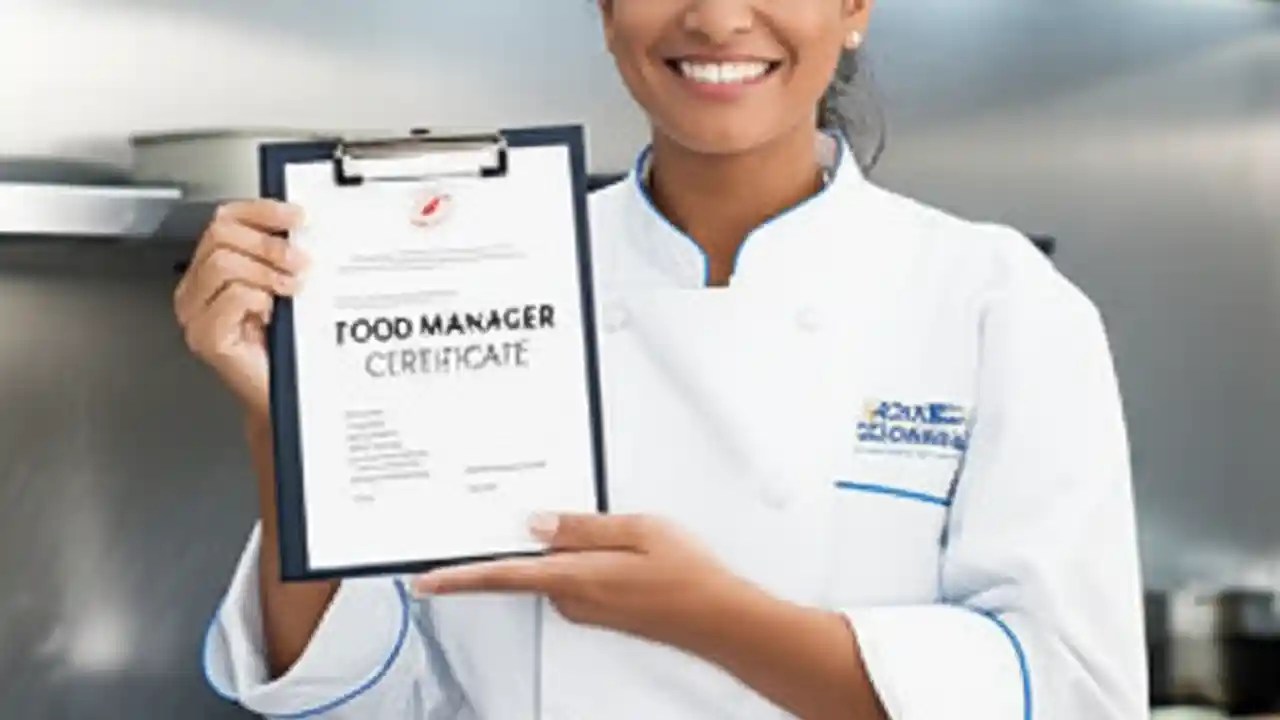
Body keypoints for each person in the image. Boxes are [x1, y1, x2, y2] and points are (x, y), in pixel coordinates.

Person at [175, 1, 1148, 718]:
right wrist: (287, 426)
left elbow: (1065, 692)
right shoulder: (483, 267)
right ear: (604, 13)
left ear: (854, 7)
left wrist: (711, 618)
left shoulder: (995, 301)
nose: (718, 17)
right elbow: (364, 693)